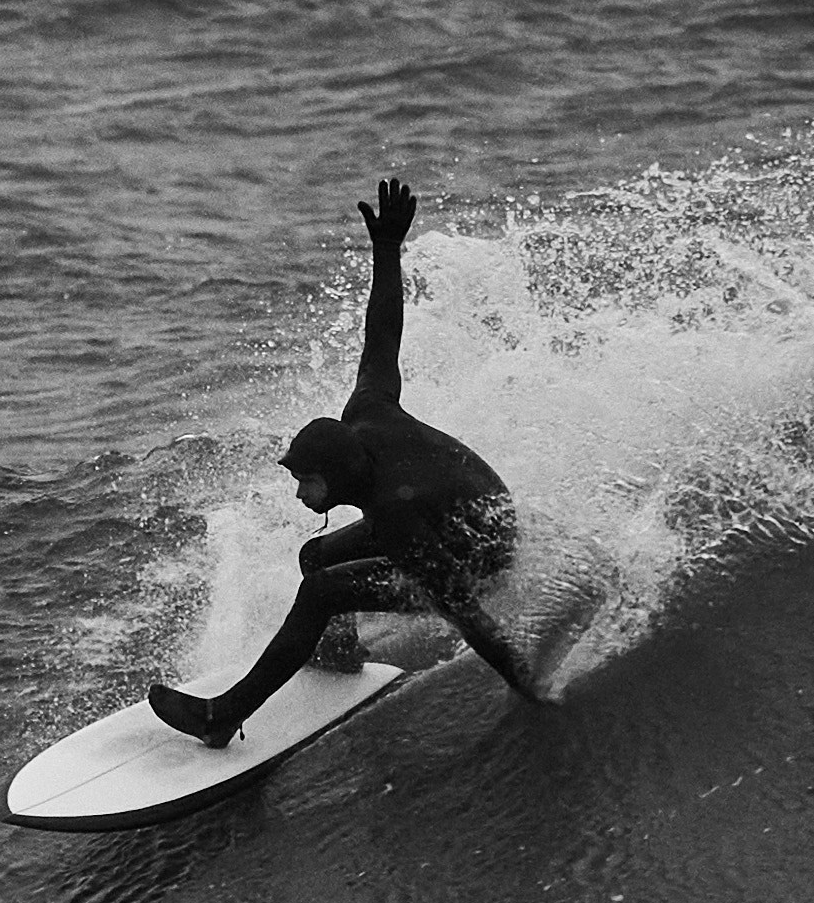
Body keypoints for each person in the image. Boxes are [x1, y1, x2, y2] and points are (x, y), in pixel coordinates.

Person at [146, 177, 549, 746]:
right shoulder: (366, 408)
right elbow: (383, 333)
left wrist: (527, 686)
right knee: (316, 555)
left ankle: (222, 716)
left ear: (335, 476)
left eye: (304, 482)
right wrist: (386, 250)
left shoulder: (396, 511)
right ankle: (337, 653)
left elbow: (463, 610)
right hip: (450, 510)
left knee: (322, 590)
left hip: (479, 549)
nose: (300, 495)